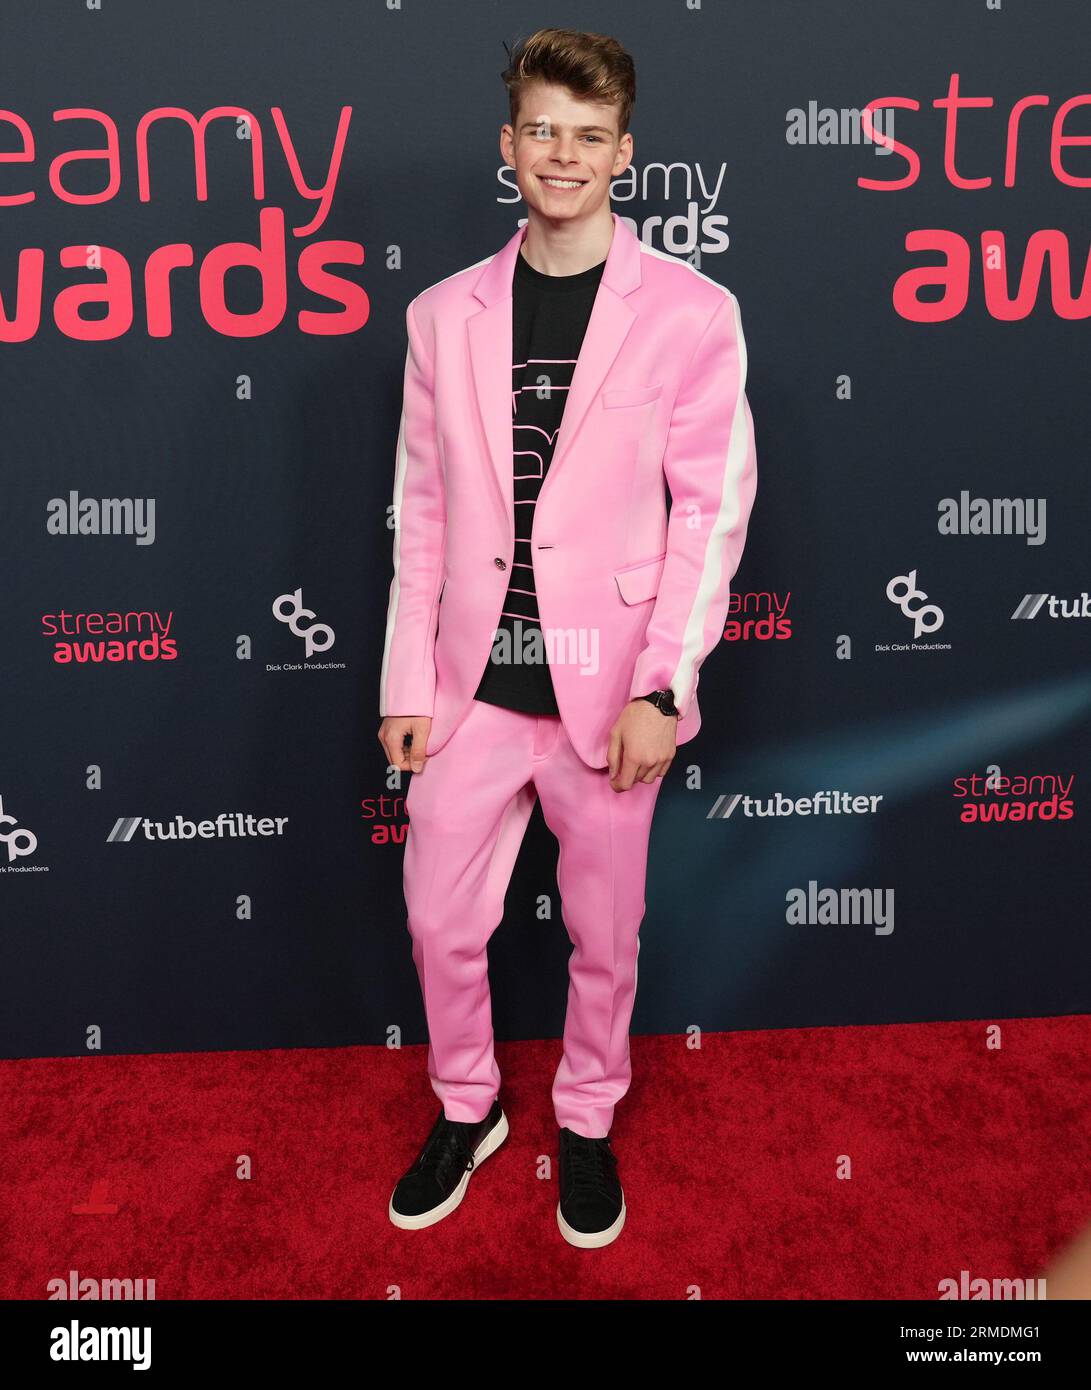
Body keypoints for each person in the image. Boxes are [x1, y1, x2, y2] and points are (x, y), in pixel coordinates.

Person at [378, 27, 757, 1249]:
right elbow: (422, 512)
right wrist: (404, 681)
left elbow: (711, 510)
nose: (561, 153)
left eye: (587, 136)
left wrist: (667, 685)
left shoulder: (693, 314)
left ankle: (586, 1116)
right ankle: (467, 1104)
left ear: (622, 154)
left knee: (604, 934)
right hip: (470, 688)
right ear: (510, 144)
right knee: (439, 914)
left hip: (610, 696)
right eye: (541, 129)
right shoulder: (440, 317)